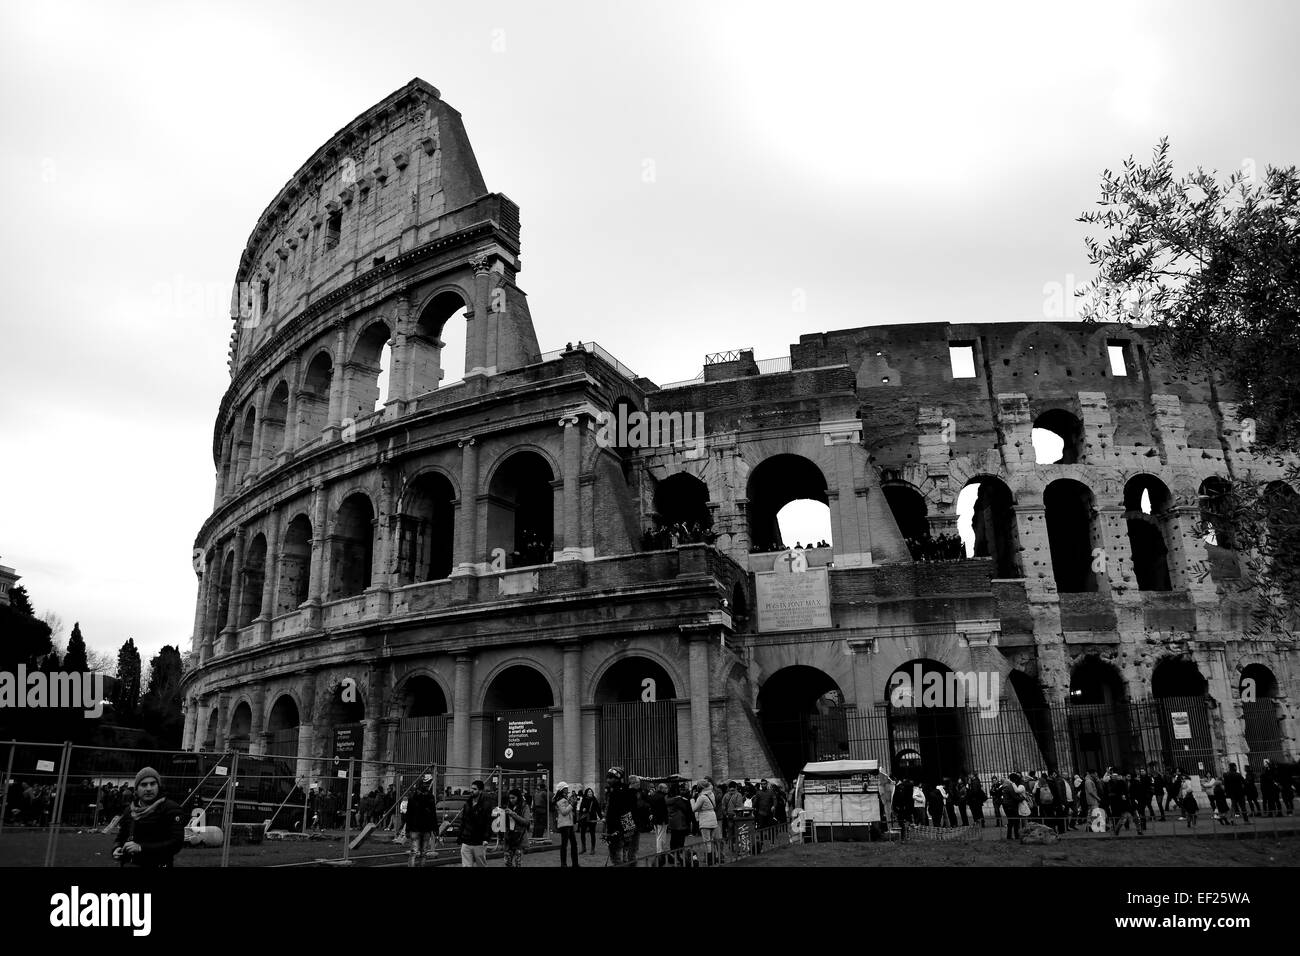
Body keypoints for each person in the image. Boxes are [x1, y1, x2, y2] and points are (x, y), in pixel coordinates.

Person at [112, 767, 185, 868]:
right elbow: (121, 837)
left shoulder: (171, 809)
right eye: (144, 784)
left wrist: (141, 848)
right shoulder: (129, 810)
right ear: (136, 789)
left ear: (159, 786)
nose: (149, 788)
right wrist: (117, 848)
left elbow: (176, 843)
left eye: (153, 784)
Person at [404, 773, 438, 867]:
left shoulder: (416, 797)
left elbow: (409, 815)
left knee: (417, 852)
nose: (427, 786)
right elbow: (409, 815)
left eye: (427, 784)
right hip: (421, 828)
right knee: (420, 852)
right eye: (426, 784)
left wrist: (408, 829)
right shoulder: (427, 797)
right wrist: (435, 829)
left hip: (419, 828)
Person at [456, 779, 493, 867]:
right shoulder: (467, 803)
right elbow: (463, 821)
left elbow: (488, 823)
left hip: (479, 841)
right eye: (471, 788)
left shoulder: (486, 804)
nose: (472, 790)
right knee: (466, 865)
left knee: (481, 864)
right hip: (466, 840)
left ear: (480, 791)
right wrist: (460, 836)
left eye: (475, 789)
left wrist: (486, 838)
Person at [665, 782, 694, 864]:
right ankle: (679, 857)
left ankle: (672, 856)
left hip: (672, 822)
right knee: (680, 841)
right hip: (680, 822)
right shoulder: (678, 800)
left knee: (673, 840)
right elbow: (686, 809)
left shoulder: (667, 798)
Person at [502, 788, 531, 867]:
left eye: (513, 798)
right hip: (509, 838)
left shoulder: (525, 807)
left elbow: (526, 821)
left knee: (518, 862)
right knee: (507, 862)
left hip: (519, 838)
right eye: (510, 798)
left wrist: (513, 814)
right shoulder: (508, 806)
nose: (511, 800)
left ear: (518, 797)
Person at [692, 779, 719, 864]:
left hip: (705, 819)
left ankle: (710, 859)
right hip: (713, 817)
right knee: (711, 840)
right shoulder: (711, 794)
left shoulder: (702, 797)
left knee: (706, 841)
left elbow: (694, 809)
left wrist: (692, 800)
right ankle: (715, 858)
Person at [553, 782, 579, 868]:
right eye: (565, 788)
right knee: (564, 845)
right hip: (564, 825)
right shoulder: (560, 800)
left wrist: (572, 804)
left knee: (573, 844)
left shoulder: (564, 798)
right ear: (561, 789)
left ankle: (575, 863)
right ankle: (563, 864)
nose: (567, 790)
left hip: (569, 824)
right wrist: (572, 804)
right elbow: (564, 812)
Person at [649, 782, 670, 858]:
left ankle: (661, 850)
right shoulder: (662, 797)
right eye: (666, 788)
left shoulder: (653, 795)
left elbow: (652, 807)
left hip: (655, 818)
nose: (667, 789)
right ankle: (660, 852)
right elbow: (663, 810)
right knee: (661, 836)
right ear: (662, 789)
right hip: (661, 819)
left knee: (659, 835)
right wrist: (665, 819)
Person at [1002, 774, 1026, 841]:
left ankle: (1009, 836)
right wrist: (1023, 798)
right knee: (1016, 821)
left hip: (1007, 805)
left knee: (1010, 822)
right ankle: (1016, 836)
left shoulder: (1007, 786)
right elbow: (1015, 797)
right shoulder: (1011, 786)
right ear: (1015, 779)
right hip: (1011, 806)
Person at [577, 786, 601, 854]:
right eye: (589, 792)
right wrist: (583, 809)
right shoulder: (584, 799)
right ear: (586, 793)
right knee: (582, 833)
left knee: (592, 833)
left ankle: (592, 849)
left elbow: (598, 809)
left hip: (592, 818)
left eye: (591, 792)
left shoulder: (594, 800)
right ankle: (583, 848)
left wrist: (601, 817)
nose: (590, 793)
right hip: (584, 818)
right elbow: (581, 808)